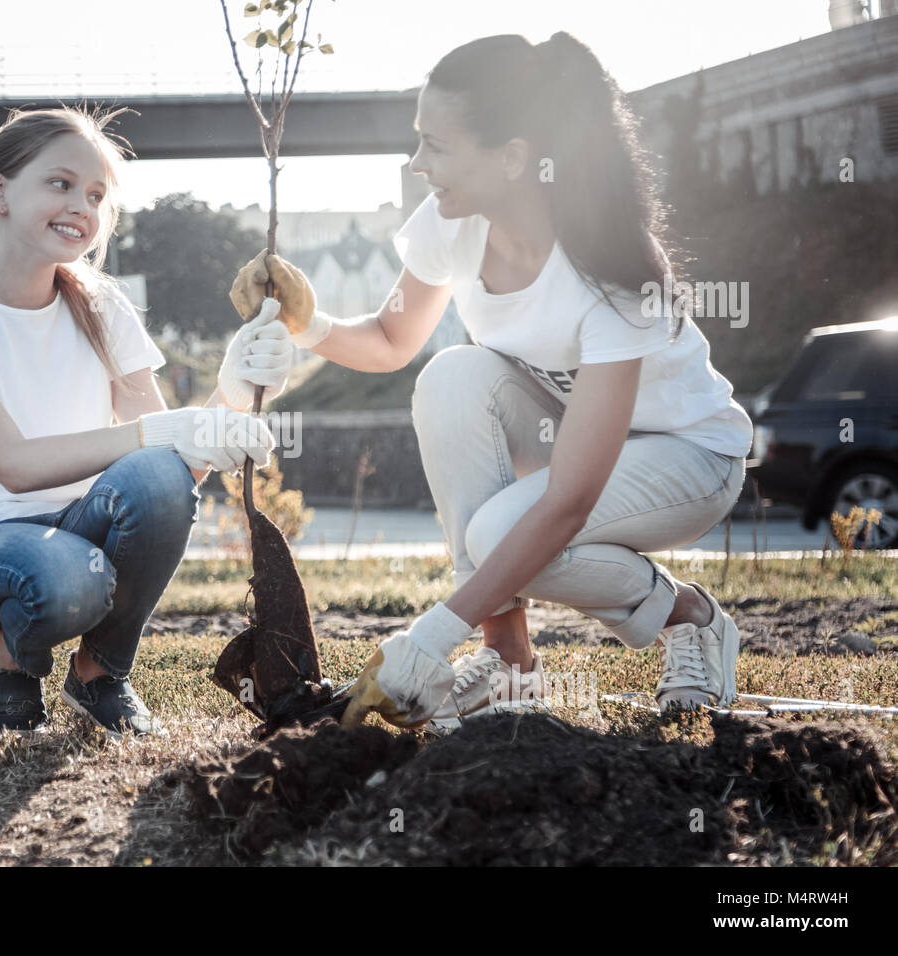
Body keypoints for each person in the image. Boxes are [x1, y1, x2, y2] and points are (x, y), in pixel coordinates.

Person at [229, 33, 753, 732]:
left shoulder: (612, 271)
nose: (417, 165)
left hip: (690, 459)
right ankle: (508, 662)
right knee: (451, 376)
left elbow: (568, 502)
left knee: (501, 533)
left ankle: (692, 616)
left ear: (512, 157)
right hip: (575, 436)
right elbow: (392, 340)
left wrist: (429, 639)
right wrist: (308, 322)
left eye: (435, 146)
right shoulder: (454, 223)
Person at [0, 107, 293, 738]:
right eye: (59, 183)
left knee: (158, 480)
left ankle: (98, 674)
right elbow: (14, 464)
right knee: (60, 578)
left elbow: (173, 468)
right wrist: (157, 434)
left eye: (96, 194)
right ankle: (13, 665)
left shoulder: (102, 304)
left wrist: (234, 385)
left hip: (81, 530)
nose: (81, 205)